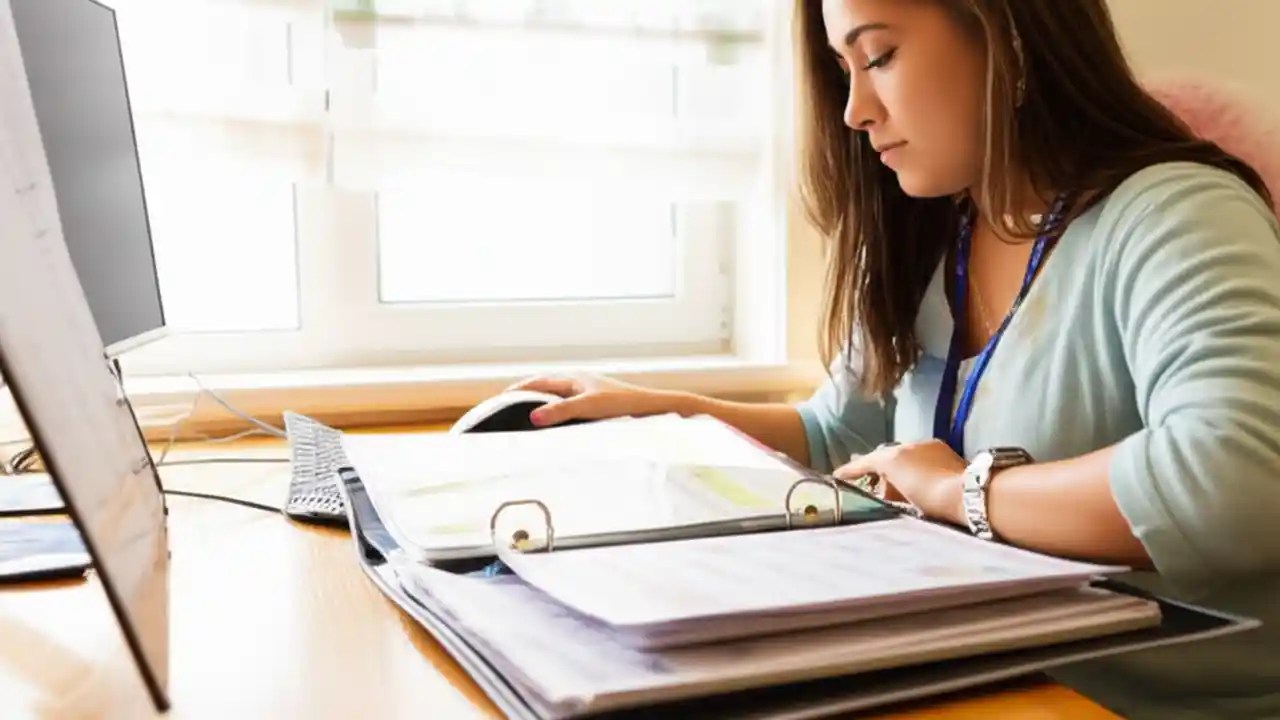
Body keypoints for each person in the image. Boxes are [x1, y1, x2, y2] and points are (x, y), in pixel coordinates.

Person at [510, 1, 1280, 716]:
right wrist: (662, 414)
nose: (854, 111)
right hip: (976, 682)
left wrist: (959, 492)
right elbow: (843, 439)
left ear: (1008, 35)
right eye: (843, 71)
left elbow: (1236, 480)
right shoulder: (937, 232)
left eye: (876, 56)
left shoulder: (1178, 213)